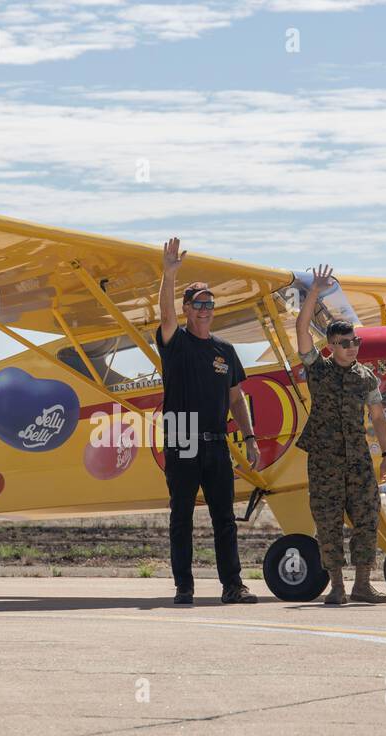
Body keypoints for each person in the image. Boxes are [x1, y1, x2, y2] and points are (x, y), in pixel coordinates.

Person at [157, 237, 259, 605]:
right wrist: (169, 274)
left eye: (209, 304)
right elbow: (165, 316)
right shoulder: (176, 342)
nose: (204, 310)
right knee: (181, 516)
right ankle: (184, 586)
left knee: (225, 519)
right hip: (182, 433)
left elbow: (235, 397)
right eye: (198, 304)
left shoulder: (225, 351)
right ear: (186, 308)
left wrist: (249, 437)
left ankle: (233, 585)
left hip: (217, 439)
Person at [293, 264, 386, 605]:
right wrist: (315, 295)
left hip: (359, 461)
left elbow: (378, 418)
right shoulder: (317, 371)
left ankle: (362, 584)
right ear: (331, 345)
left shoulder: (366, 378)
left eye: (356, 341)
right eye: (346, 343)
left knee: (367, 518)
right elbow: (302, 328)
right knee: (328, 520)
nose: (353, 347)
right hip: (325, 460)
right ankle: (336, 586)